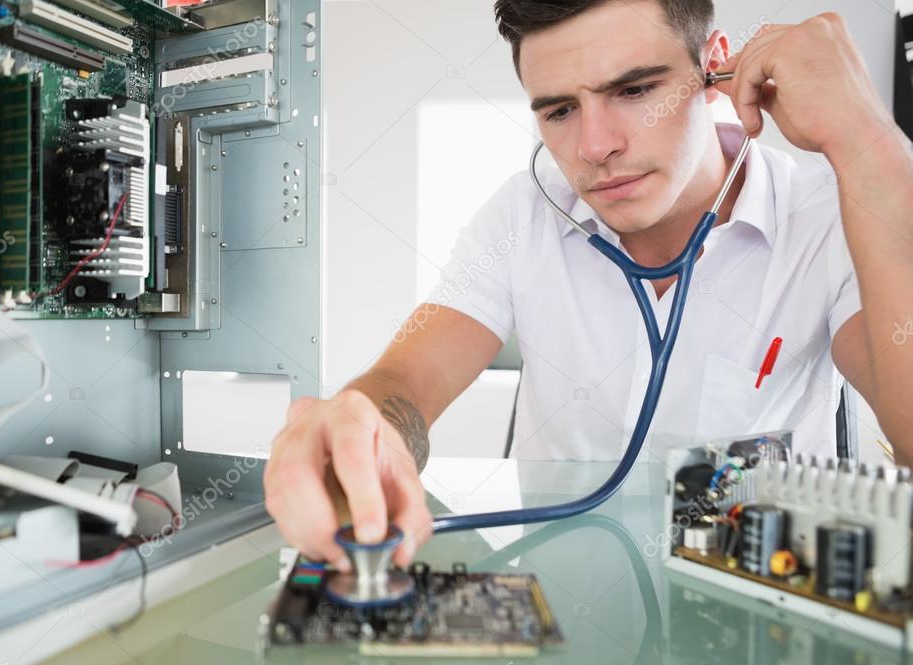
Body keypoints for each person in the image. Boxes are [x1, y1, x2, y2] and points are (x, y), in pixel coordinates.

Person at [263, 0, 913, 572]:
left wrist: (869, 143)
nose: (593, 146)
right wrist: (360, 431)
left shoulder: (831, 218)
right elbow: (406, 382)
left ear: (716, 69)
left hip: (748, 626)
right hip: (560, 615)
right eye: (560, 110)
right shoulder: (520, 214)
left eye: (634, 91)